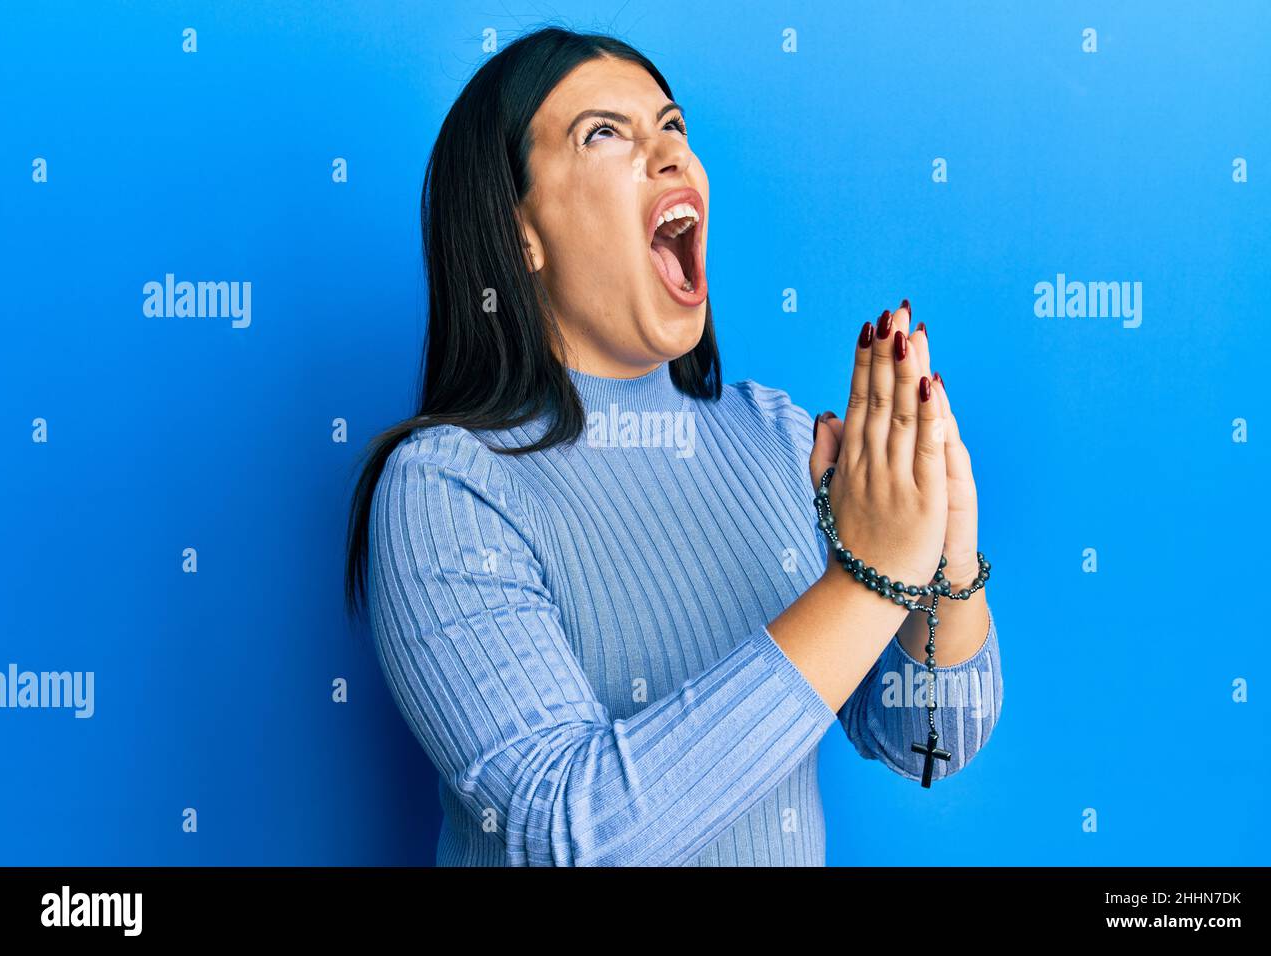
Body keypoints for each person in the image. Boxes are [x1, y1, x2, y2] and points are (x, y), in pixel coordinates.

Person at [344, 25, 1003, 866]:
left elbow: (926, 745)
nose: (668, 155)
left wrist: (940, 568)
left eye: (673, 127)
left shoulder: (778, 438)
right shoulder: (445, 486)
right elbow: (564, 833)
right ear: (519, 239)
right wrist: (869, 581)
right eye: (606, 133)